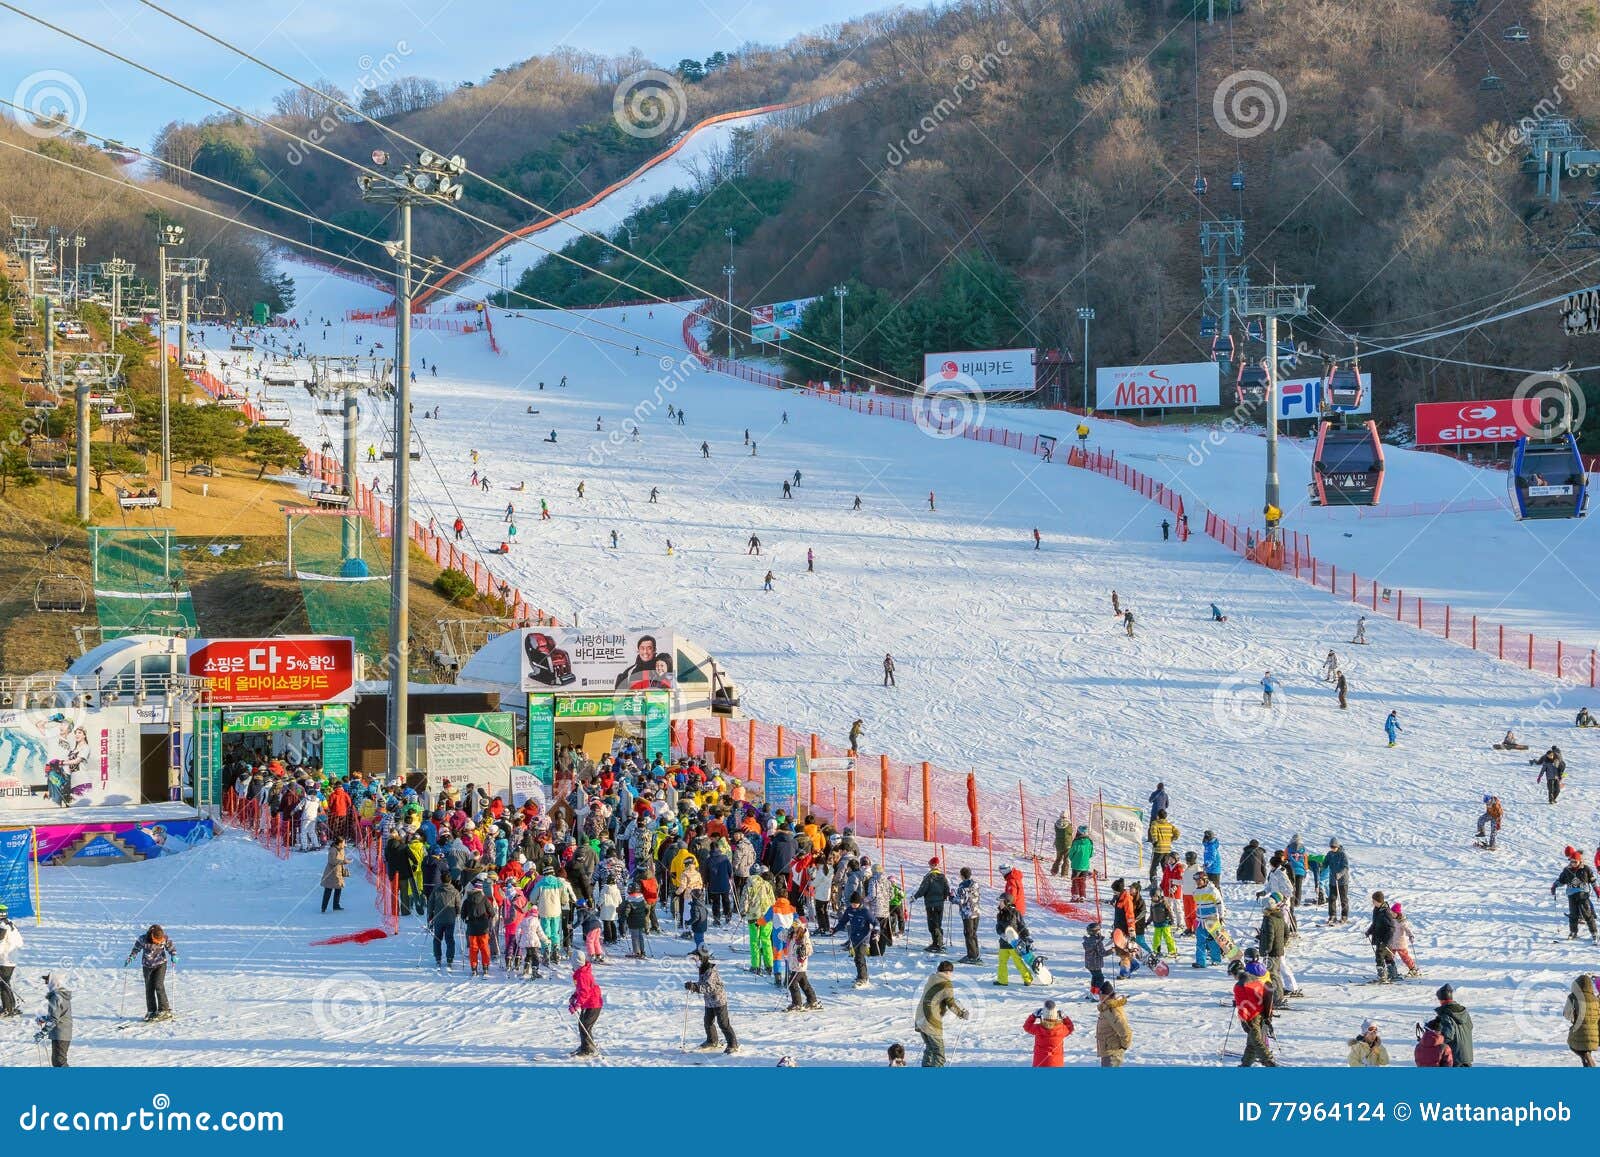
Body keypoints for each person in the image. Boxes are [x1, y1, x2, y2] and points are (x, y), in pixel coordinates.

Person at [913, 960, 969, 1066]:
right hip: (931, 1020)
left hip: (920, 1017)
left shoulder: (932, 979)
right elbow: (950, 1003)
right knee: (939, 1054)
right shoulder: (946, 984)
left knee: (930, 1049)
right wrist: (961, 1013)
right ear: (948, 972)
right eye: (951, 972)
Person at [685, 947, 739, 1054]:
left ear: (703, 958)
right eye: (694, 960)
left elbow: (709, 986)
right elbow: (703, 983)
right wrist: (692, 985)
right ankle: (712, 1040)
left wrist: (696, 987)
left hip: (719, 1000)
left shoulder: (711, 970)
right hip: (709, 1001)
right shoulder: (703, 968)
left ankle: (733, 1044)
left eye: (697, 959)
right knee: (707, 1021)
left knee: (723, 1023)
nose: (695, 962)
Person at [126, 924, 176, 1021]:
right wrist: (131, 957)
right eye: (156, 941)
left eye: (160, 941)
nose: (158, 942)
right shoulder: (143, 939)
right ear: (152, 936)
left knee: (158, 985)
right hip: (147, 966)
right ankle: (151, 1011)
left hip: (160, 964)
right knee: (149, 988)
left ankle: (164, 1010)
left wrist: (173, 955)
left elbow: (171, 947)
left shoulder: (164, 938)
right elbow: (136, 949)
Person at [1231, 959, 1277, 1066]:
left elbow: (1242, 1007)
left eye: (1232, 975)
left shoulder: (1239, 986)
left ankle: (1268, 1061)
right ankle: (1245, 1065)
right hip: (1261, 1013)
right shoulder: (1255, 978)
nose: (1233, 977)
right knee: (1251, 1043)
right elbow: (1261, 996)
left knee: (1256, 1040)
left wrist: (1244, 1021)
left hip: (1251, 1018)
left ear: (1236, 973)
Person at [1552, 847, 1599, 941]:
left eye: (1575, 862)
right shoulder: (1567, 870)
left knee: (1587, 914)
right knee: (1573, 915)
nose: (1573, 864)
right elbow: (1561, 880)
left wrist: (1597, 891)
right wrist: (1554, 886)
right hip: (1571, 895)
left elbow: (1593, 881)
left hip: (1583, 895)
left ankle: (1594, 933)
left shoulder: (1586, 869)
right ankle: (1573, 932)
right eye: (1572, 861)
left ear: (1579, 861)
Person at [1426, 984, 1474, 1066]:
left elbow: (1447, 1036)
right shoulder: (1464, 1013)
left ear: (1441, 1000)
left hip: (1454, 1056)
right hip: (1466, 1056)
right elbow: (1470, 1027)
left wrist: (1432, 1040)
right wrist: (1438, 1023)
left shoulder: (1446, 1015)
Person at [567, 950, 603, 1057]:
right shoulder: (581, 973)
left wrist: (577, 1005)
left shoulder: (583, 975)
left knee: (585, 1026)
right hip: (589, 1003)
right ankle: (585, 1045)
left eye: (572, 963)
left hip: (593, 1005)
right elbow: (581, 989)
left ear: (576, 963)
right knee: (583, 1025)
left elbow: (584, 992)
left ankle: (588, 1049)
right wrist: (574, 997)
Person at [912, 858, 951, 953]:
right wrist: (945, 896)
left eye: (930, 864)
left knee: (933, 924)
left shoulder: (929, 876)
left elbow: (923, 889)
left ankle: (937, 944)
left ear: (933, 865)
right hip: (940, 903)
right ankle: (938, 942)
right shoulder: (943, 876)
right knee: (938, 922)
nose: (929, 866)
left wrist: (915, 896)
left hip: (931, 903)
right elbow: (947, 888)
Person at [995, 893, 1033, 986]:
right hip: (1003, 943)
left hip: (1014, 943)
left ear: (1007, 902)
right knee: (1002, 962)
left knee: (1018, 962)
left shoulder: (1016, 913)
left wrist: (1027, 937)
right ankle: (1002, 980)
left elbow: (1022, 926)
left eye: (1001, 901)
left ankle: (1028, 978)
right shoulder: (1000, 914)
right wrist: (1002, 934)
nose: (999, 903)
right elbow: (998, 927)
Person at [838, 892, 873, 987]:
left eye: (855, 903)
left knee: (860, 957)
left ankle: (863, 978)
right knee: (856, 958)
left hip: (863, 938)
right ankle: (860, 975)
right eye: (852, 903)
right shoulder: (849, 910)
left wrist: (876, 932)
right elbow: (843, 921)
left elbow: (875, 922)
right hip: (854, 937)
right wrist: (835, 929)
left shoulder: (865, 911)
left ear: (859, 903)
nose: (853, 905)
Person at [1023, 1001, 1073, 1067]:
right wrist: (1065, 1017)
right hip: (1057, 1064)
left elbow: (1027, 1026)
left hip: (1039, 1063)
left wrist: (1033, 1016)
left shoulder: (1038, 1029)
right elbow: (1070, 1028)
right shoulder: (1061, 1029)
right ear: (1056, 1015)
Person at [36, 972, 71, 1067]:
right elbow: (57, 1015)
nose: (46, 984)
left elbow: (54, 1019)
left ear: (54, 982)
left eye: (47, 981)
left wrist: (42, 1032)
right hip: (62, 1033)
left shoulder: (56, 997)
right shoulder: (61, 995)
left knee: (59, 1062)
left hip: (60, 1033)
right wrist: (44, 1018)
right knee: (58, 1061)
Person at [462, 879, 495, 977]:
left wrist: (467, 919)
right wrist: (488, 918)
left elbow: (463, 915)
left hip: (472, 928)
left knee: (473, 948)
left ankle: (474, 968)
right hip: (483, 927)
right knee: (484, 947)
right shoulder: (485, 899)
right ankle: (485, 967)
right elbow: (492, 913)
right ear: (481, 889)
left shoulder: (467, 900)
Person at [1565, 974, 1600, 1066]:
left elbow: (1567, 1015)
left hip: (1578, 1031)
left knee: (1577, 1048)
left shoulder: (1573, 997)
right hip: (1594, 1035)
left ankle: (1587, 1060)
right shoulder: (1596, 1000)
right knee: (1586, 1051)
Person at [1095, 981, 1131, 1067]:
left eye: (1100, 994)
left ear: (1106, 995)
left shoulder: (1111, 1011)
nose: (1099, 997)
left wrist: (1123, 1046)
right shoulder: (1106, 1008)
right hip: (1107, 1050)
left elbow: (1125, 1031)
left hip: (1112, 1052)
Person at [429, 876, 461, 970]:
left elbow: (430, 904)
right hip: (450, 919)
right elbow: (458, 904)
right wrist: (458, 913)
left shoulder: (436, 890)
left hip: (438, 919)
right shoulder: (455, 891)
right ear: (450, 880)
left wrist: (430, 916)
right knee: (450, 939)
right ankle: (450, 958)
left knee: (437, 939)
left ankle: (438, 958)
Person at [955, 867, 982, 963]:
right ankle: (975, 953)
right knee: (973, 933)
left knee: (968, 934)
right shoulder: (976, 884)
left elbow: (961, 900)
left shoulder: (962, 887)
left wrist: (951, 898)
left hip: (968, 913)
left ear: (962, 875)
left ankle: (972, 956)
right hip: (976, 911)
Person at [0, 901, 22, 1017]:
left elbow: (0, 944)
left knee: (2, 984)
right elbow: (20, 942)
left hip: (5, 960)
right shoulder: (10, 924)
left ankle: (7, 1009)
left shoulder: (2, 927)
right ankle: (10, 1006)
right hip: (12, 958)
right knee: (6, 983)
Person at [1324, 838, 1351, 924]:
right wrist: (1321, 866)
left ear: (1337, 846)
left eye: (1334, 847)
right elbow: (1325, 863)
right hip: (1332, 880)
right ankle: (1332, 915)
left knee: (1343, 899)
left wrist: (1339, 874)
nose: (1332, 848)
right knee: (1332, 899)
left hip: (1342, 881)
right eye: (1331, 847)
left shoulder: (1342, 854)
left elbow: (1346, 867)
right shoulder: (1330, 854)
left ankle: (1344, 916)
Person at [320, 836, 349, 912]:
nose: (344, 844)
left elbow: (342, 859)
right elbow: (332, 861)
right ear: (340, 843)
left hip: (339, 872)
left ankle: (336, 905)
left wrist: (346, 861)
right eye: (343, 842)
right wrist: (343, 862)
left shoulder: (342, 849)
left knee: (338, 888)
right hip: (331, 873)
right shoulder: (333, 850)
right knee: (328, 890)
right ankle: (323, 908)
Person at [1069, 825, 1095, 901]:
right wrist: (1086, 859)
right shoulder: (1089, 842)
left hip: (1076, 865)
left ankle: (1075, 895)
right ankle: (1082, 895)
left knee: (1075, 880)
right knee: (1082, 881)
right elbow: (1091, 854)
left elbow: (1071, 853)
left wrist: (1073, 859)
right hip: (1085, 865)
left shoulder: (1076, 842)